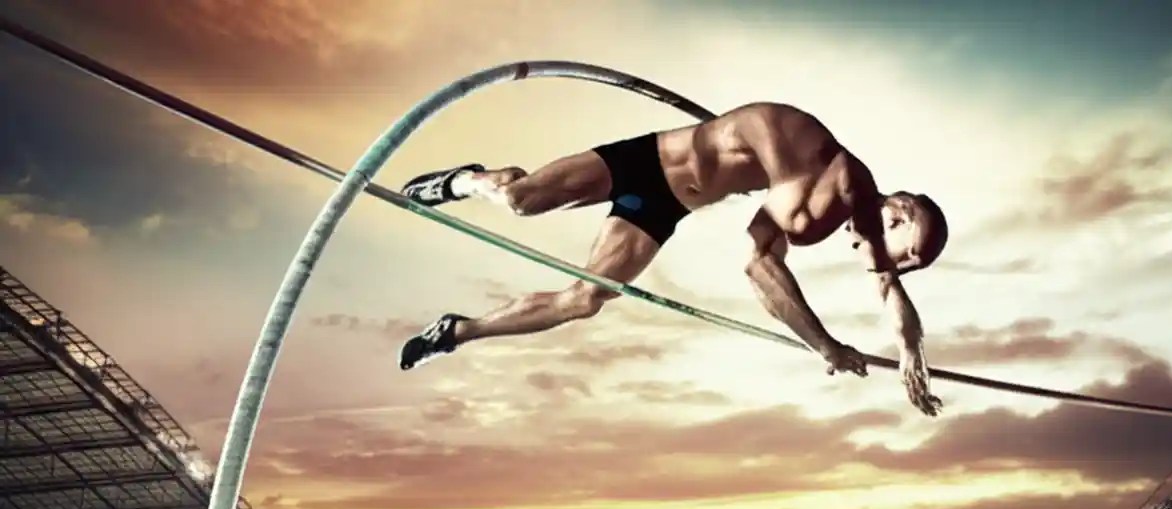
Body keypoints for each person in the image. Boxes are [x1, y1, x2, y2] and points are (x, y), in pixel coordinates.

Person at [399, 102, 948, 415]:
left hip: (666, 206)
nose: (883, 260)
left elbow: (883, 288)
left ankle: (456, 331)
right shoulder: (837, 184)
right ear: (899, 215)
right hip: (649, 161)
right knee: (520, 200)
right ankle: (467, 180)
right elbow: (760, 265)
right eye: (908, 257)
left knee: (585, 299)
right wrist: (826, 344)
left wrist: (909, 348)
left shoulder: (831, 205)